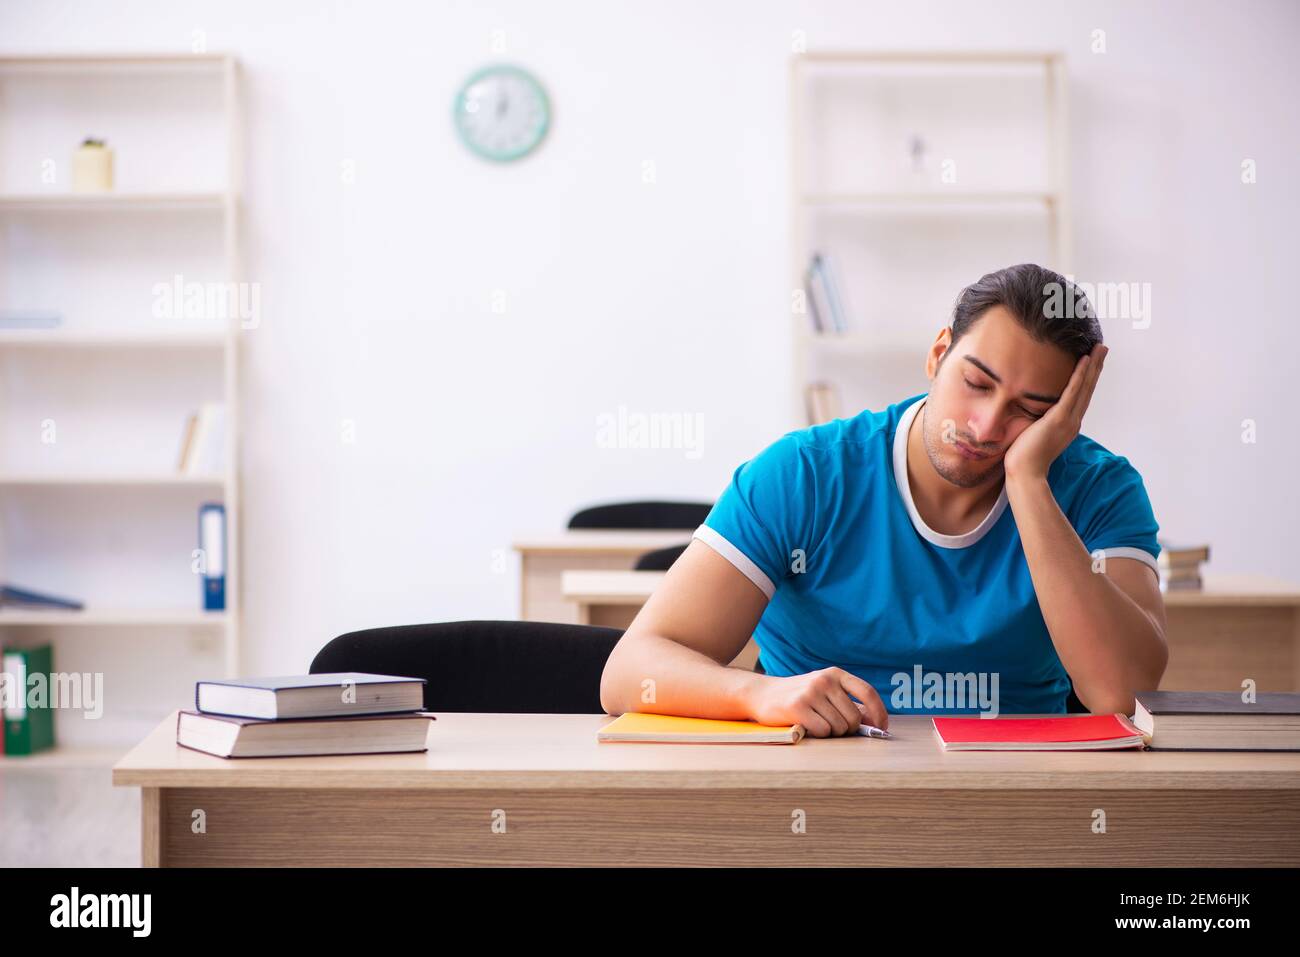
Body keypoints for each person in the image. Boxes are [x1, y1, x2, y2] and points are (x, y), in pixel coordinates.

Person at [599, 263, 1167, 736]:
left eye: (1031, 411)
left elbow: (1119, 695)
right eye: (976, 383)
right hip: (816, 785)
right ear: (938, 354)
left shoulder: (1100, 489)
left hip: (1014, 792)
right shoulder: (805, 474)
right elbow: (628, 671)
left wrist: (1029, 482)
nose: (987, 425)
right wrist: (758, 693)